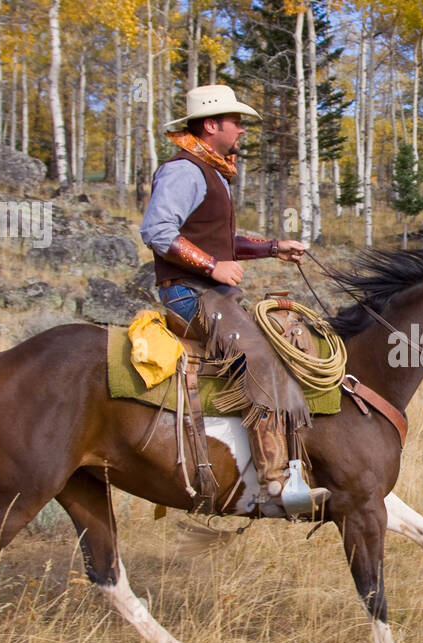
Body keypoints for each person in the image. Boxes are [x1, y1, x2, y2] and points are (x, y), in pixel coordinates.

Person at [140, 83, 327, 519]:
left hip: (208, 293)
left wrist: (273, 247)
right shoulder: (184, 170)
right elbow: (157, 231)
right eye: (236, 122)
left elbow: (222, 240)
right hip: (190, 294)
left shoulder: (211, 171)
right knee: (260, 358)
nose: (242, 130)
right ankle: (276, 483)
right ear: (211, 125)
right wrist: (212, 267)